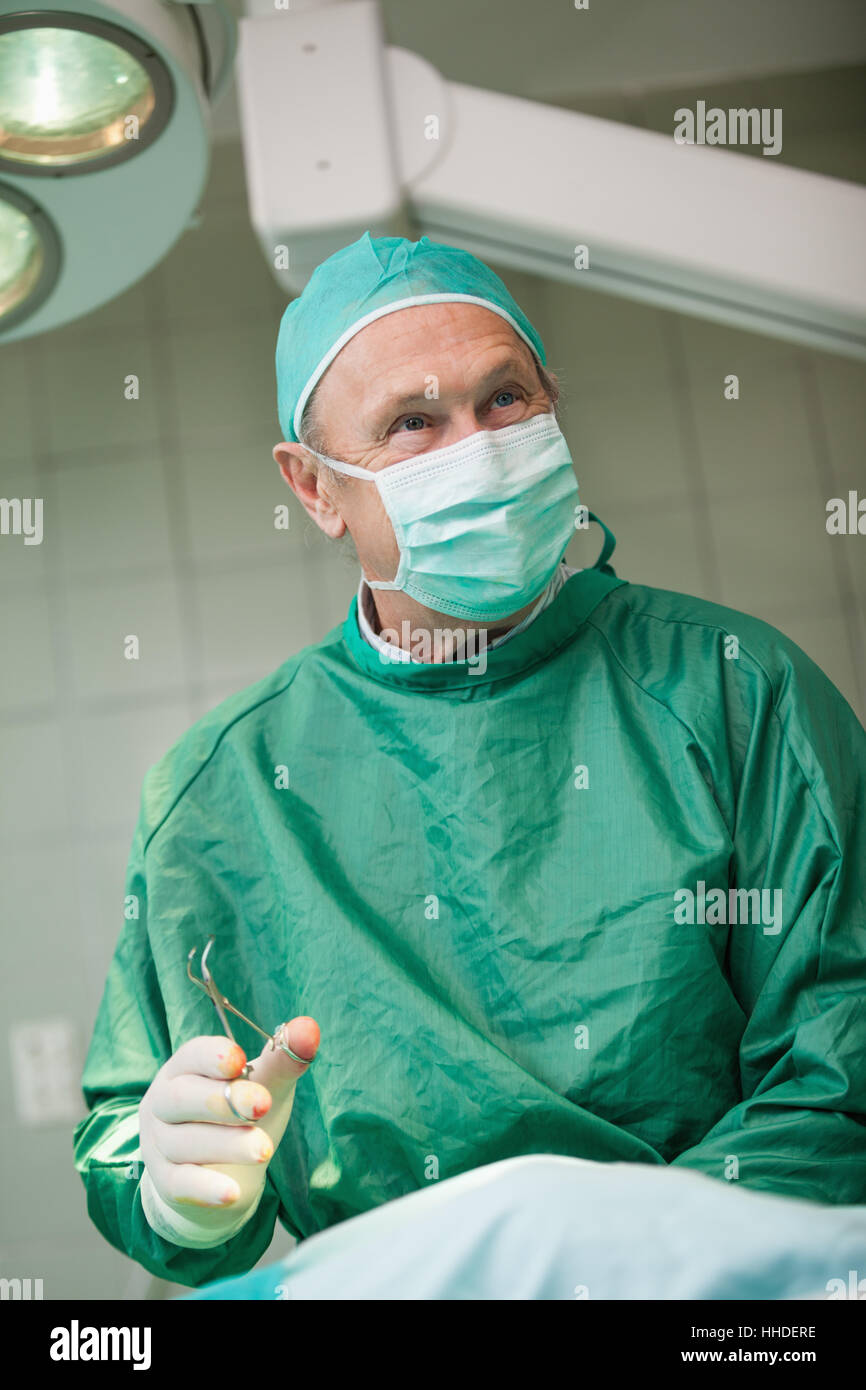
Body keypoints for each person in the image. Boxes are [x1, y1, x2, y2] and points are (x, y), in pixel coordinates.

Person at [74, 232, 866, 1290]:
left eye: (505, 401)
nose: (479, 449)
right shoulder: (223, 792)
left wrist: (625, 1256)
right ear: (314, 488)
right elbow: (140, 1147)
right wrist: (181, 1185)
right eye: (413, 422)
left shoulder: (732, 688)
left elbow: (838, 1062)